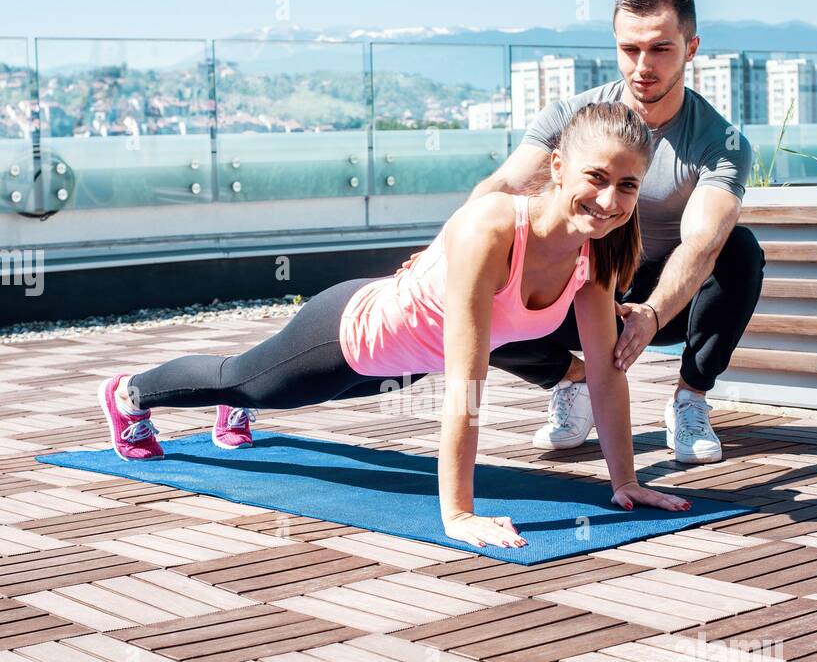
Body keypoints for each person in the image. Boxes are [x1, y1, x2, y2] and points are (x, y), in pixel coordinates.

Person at [98, 101, 690, 552]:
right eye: (597, 177)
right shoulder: (493, 227)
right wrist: (458, 513)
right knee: (242, 380)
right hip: (348, 336)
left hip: (405, 366)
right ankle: (129, 393)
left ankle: (237, 410)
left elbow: (606, 376)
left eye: (628, 185)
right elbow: (467, 381)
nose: (610, 200)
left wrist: (626, 481)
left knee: (264, 395)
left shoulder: (598, 256)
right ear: (558, 167)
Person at [469, 0, 765, 464]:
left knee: (738, 249)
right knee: (474, 276)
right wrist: (443, 257)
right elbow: (501, 189)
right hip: (576, 291)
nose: (643, 66)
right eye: (630, 49)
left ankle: (690, 398)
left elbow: (702, 242)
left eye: (660, 49)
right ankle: (571, 380)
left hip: (663, 302)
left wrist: (649, 314)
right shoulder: (569, 117)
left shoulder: (721, 142)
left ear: (691, 48)